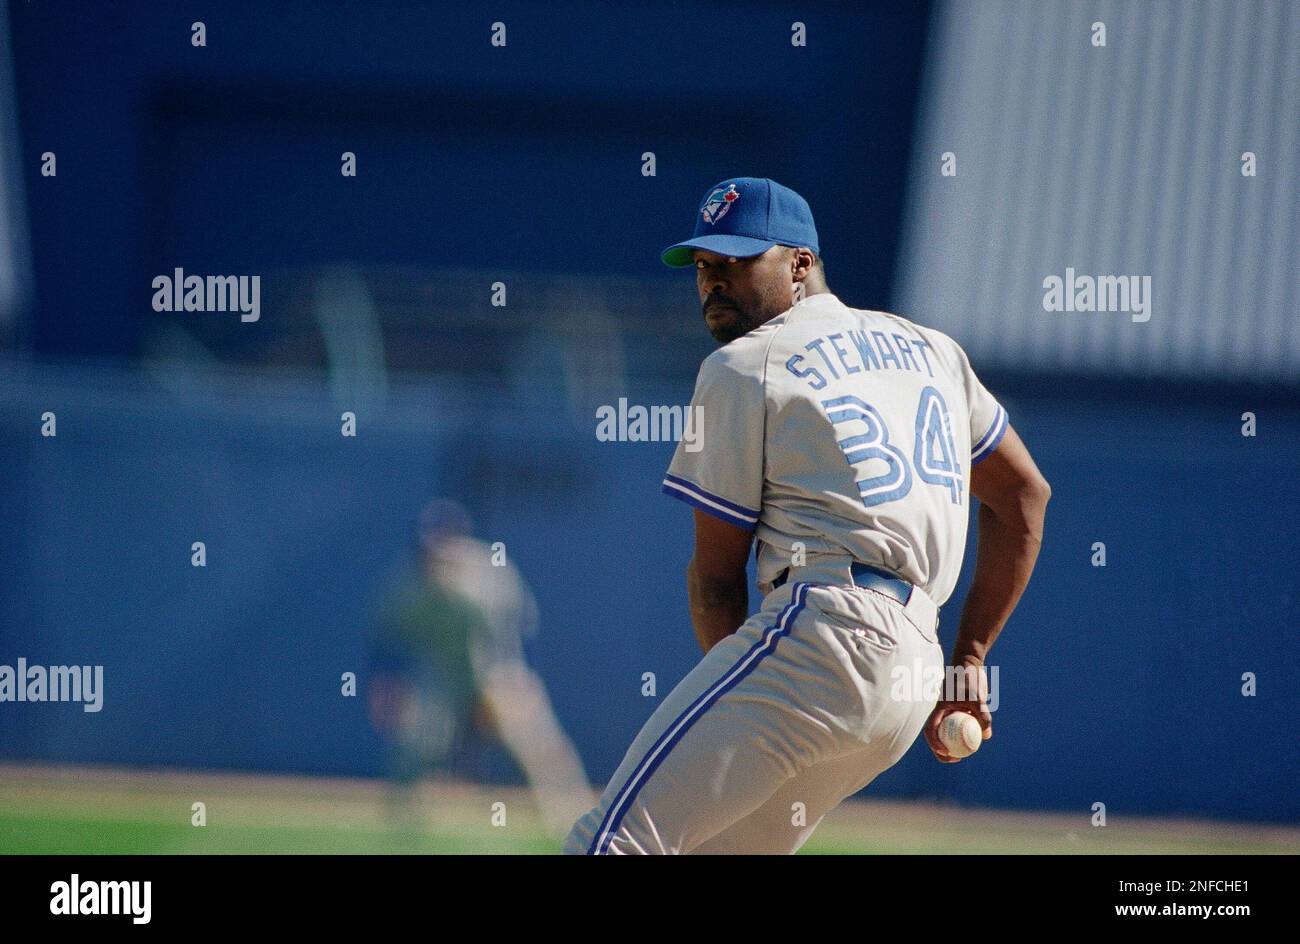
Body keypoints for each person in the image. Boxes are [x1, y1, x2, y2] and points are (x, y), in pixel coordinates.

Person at [564, 177, 1051, 854]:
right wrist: (968, 656)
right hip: (908, 675)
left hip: (820, 633)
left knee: (609, 844)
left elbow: (714, 579)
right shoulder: (932, 350)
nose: (713, 282)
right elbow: (1024, 496)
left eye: (737, 262)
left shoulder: (745, 363)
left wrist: (751, 701)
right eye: (704, 266)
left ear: (801, 263)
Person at [368, 499, 591, 837]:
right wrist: (386, 685)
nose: (438, 560)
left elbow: (523, 628)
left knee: (538, 745)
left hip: (497, 671)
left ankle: (573, 819)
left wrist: (517, 682)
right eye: (431, 550)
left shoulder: (486, 575)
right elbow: (386, 637)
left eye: (446, 550)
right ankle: (400, 825)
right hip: (445, 676)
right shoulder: (408, 585)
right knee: (417, 742)